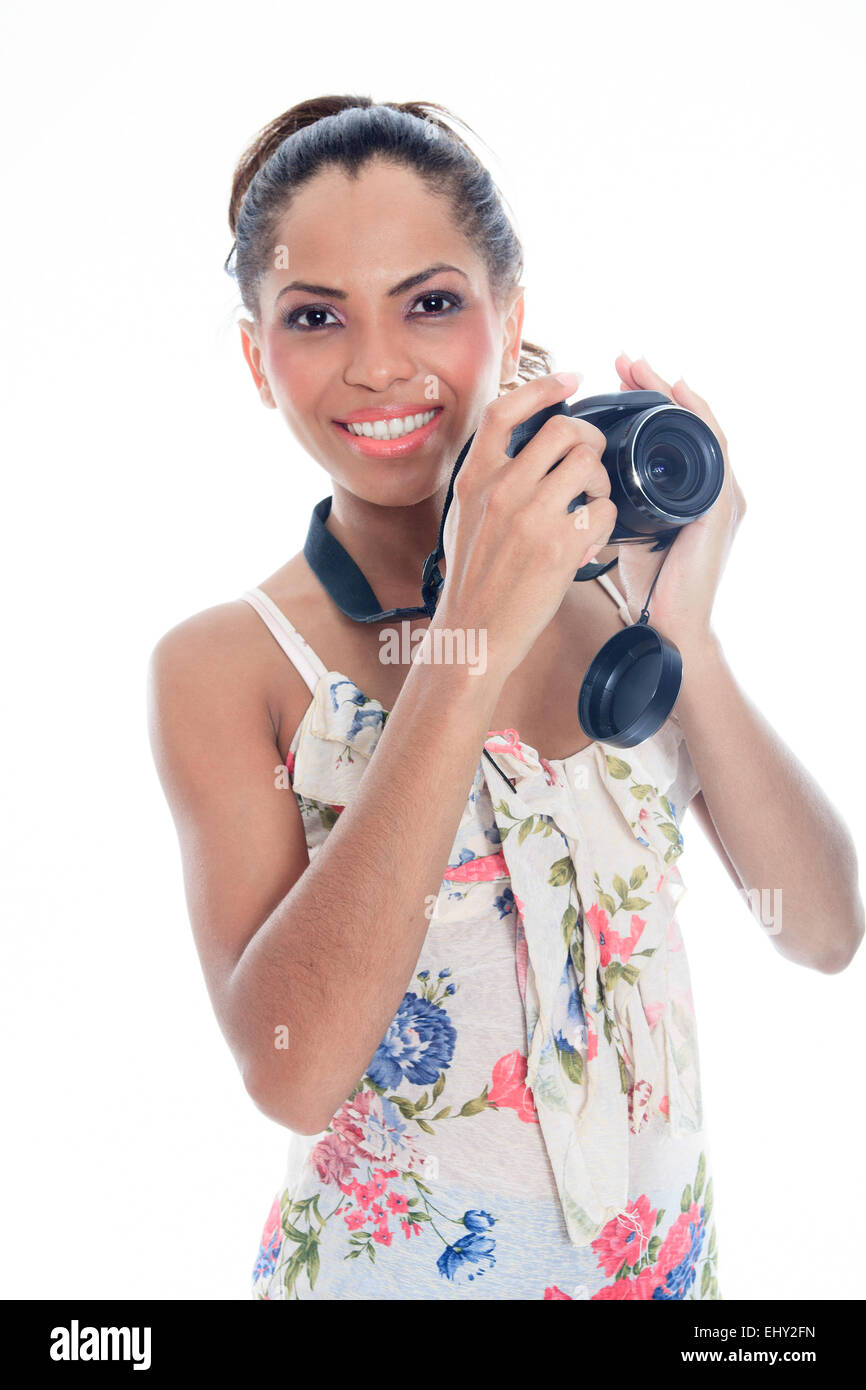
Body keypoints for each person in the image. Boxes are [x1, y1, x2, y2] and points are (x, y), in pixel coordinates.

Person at [147, 95, 864, 1301]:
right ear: (255, 359)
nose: (377, 363)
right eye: (313, 316)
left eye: (430, 302)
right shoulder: (229, 663)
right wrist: (466, 638)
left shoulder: (615, 583)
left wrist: (682, 627)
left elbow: (825, 929)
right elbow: (294, 1070)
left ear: (511, 316)